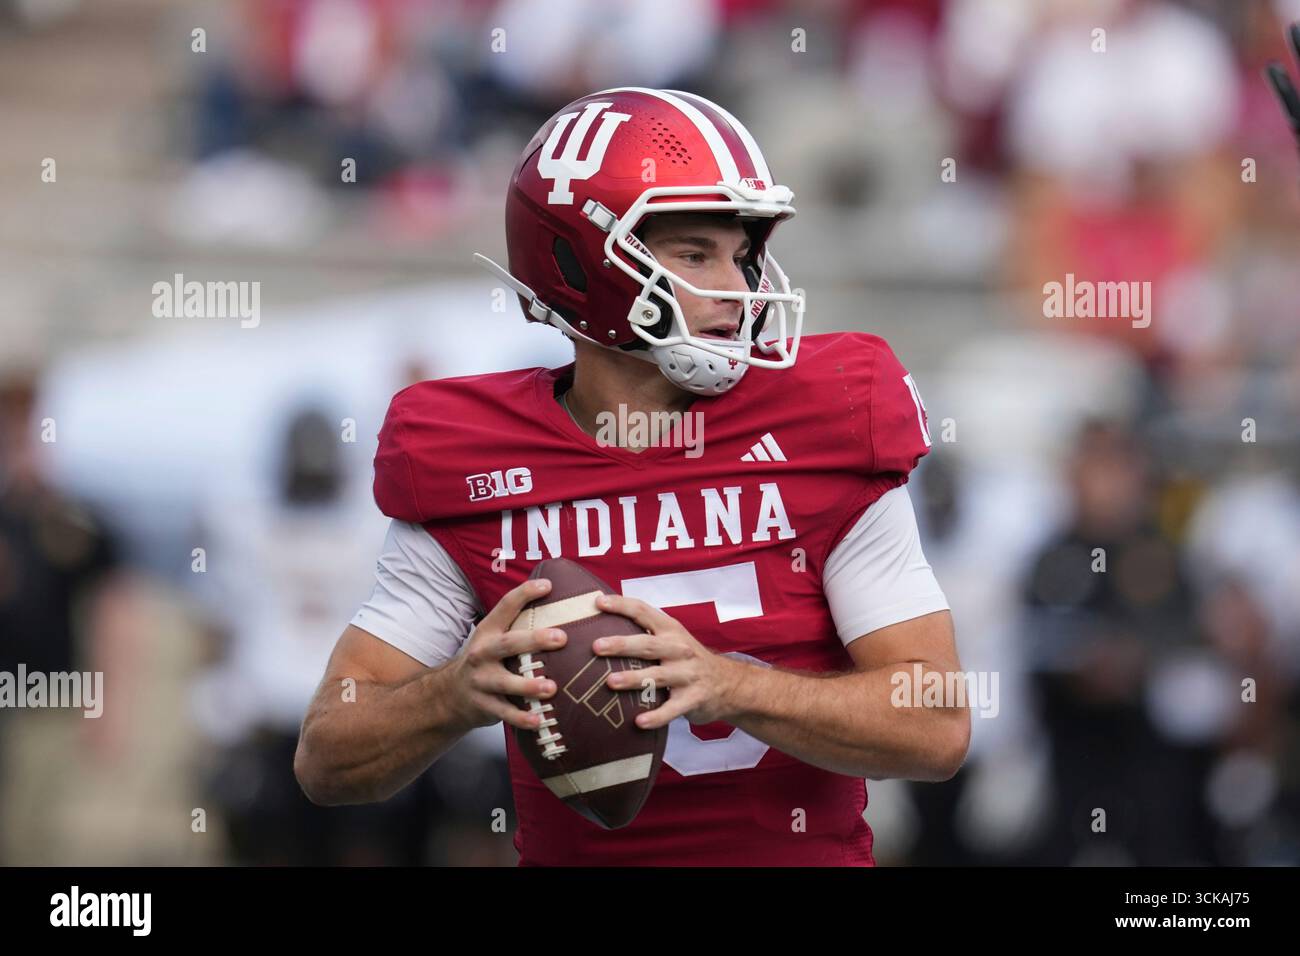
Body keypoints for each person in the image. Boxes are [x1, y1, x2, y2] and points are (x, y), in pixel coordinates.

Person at [295, 88, 968, 865]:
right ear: (580, 257)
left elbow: (937, 722)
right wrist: (450, 697)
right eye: (695, 253)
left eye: (742, 255)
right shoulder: (473, 464)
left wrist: (732, 687)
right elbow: (326, 756)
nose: (740, 288)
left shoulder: (824, 426)